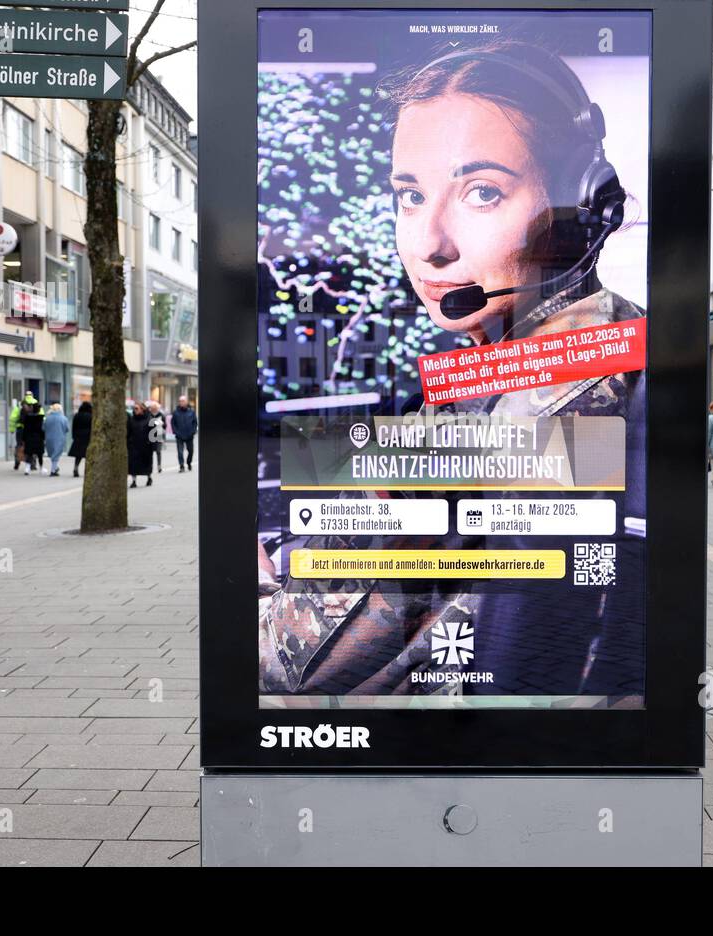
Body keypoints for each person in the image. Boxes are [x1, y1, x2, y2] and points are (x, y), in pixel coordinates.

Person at [259, 41, 644, 701]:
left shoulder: (538, 406)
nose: (430, 243)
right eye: (410, 196)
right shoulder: (590, 348)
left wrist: (262, 586)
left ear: (583, 207)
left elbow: (290, 659)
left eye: (482, 192)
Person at [126, 401, 154, 488]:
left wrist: (152, 445)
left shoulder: (150, 419)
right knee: (133, 464)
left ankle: (149, 477)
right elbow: (128, 432)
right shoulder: (131, 420)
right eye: (134, 409)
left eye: (136, 408)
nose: (135, 410)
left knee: (146, 463)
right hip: (134, 446)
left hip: (146, 446)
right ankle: (134, 481)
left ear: (142, 409)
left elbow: (155, 433)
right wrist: (128, 442)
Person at [171, 395, 197, 472]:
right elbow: (173, 423)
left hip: (189, 435)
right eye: (180, 401)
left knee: (191, 451)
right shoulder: (176, 412)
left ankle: (189, 462)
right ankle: (181, 465)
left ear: (186, 402)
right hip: (179, 435)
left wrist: (193, 431)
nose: (181, 403)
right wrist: (175, 432)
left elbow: (195, 423)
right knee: (180, 451)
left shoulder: (191, 412)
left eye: (183, 401)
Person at [19, 400, 46, 475]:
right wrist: (44, 438)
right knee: (40, 454)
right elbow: (42, 429)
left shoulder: (27, 418)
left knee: (29, 453)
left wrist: (23, 439)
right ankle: (41, 468)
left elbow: (25, 429)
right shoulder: (41, 418)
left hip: (29, 438)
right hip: (38, 438)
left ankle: (27, 469)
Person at [43, 403, 69, 477]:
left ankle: (55, 467)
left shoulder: (47, 418)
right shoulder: (64, 418)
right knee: (56, 454)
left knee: (52, 454)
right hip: (60, 438)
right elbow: (67, 429)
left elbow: (43, 428)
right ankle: (53, 470)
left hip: (49, 438)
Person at [69, 401, 93, 477]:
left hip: (78, 437)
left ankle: (76, 467)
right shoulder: (91, 416)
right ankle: (88, 471)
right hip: (87, 437)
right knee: (88, 455)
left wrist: (74, 436)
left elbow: (74, 427)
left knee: (78, 455)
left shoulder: (77, 415)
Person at [147, 400, 167, 474]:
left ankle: (159, 466)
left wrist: (162, 424)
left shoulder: (161, 415)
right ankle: (150, 466)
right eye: (153, 407)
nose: (154, 409)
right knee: (150, 452)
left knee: (158, 451)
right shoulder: (148, 415)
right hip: (150, 435)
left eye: (155, 407)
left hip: (159, 435)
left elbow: (165, 426)